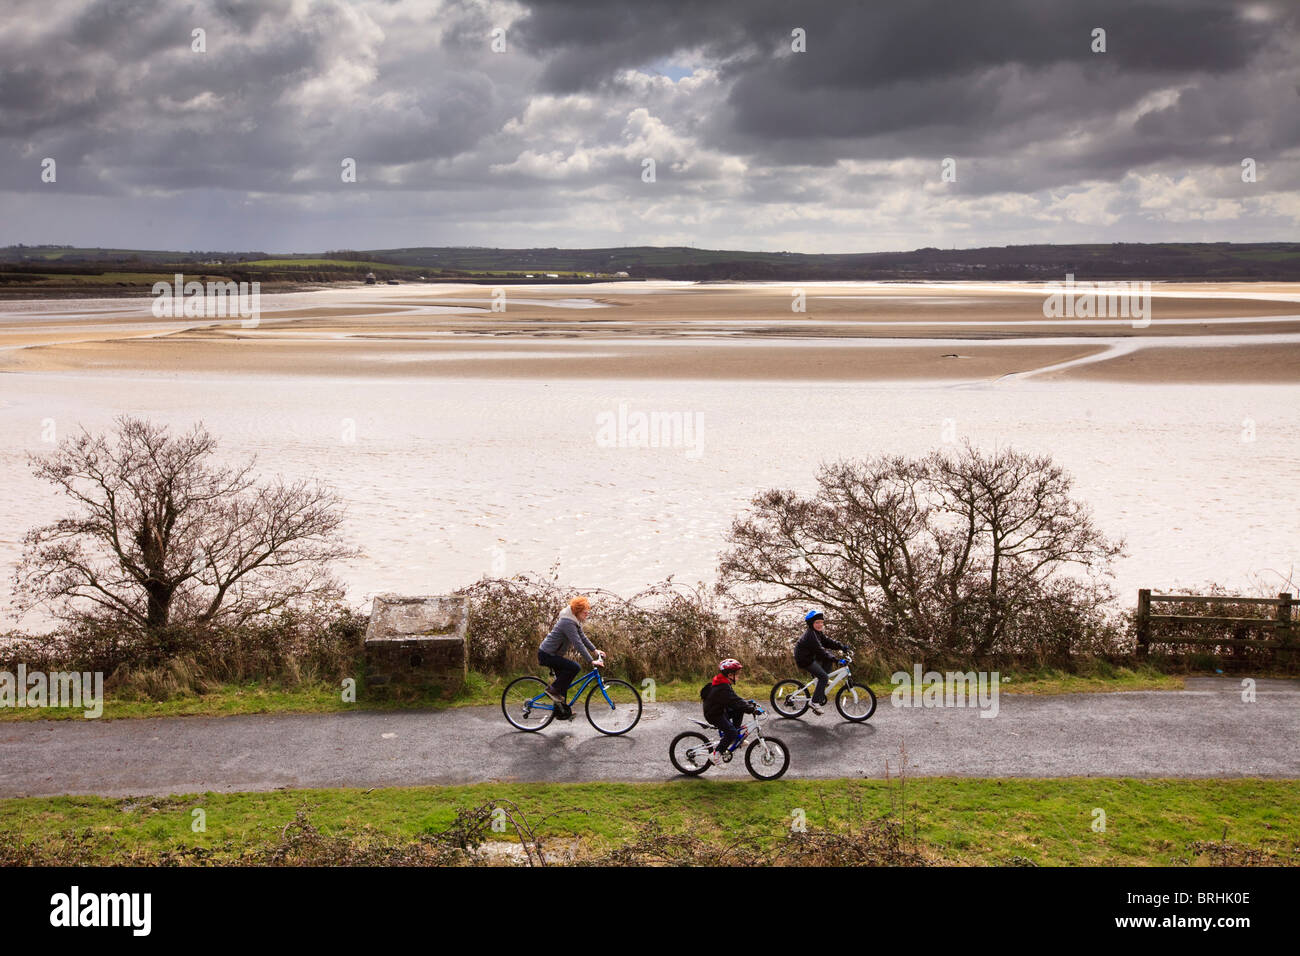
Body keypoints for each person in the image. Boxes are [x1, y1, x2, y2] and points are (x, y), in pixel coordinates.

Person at [538, 596, 603, 716]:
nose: (587, 614)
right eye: (585, 612)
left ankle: (561, 712)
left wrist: (595, 650)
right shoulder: (567, 622)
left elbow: (582, 637)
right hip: (547, 654)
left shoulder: (574, 621)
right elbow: (577, 643)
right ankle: (551, 690)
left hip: (553, 654)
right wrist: (591, 661)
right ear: (577, 611)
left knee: (563, 683)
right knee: (575, 667)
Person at [701, 658, 758, 765]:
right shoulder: (722, 687)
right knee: (731, 732)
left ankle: (733, 738)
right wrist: (751, 709)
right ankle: (716, 754)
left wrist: (746, 704)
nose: (738, 676)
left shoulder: (723, 682)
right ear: (730, 675)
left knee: (738, 710)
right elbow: (734, 700)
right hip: (714, 714)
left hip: (719, 709)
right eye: (737, 674)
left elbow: (734, 700)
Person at [794, 609, 847, 714]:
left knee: (828, 661)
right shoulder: (811, 635)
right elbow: (821, 651)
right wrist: (837, 660)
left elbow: (828, 642)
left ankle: (821, 682)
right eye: (817, 622)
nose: (820, 624)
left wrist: (842, 646)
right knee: (823, 676)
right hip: (804, 659)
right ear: (811, 623)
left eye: (821, 622)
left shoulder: (817, 633)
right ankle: (814, 702)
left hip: (811, 656)